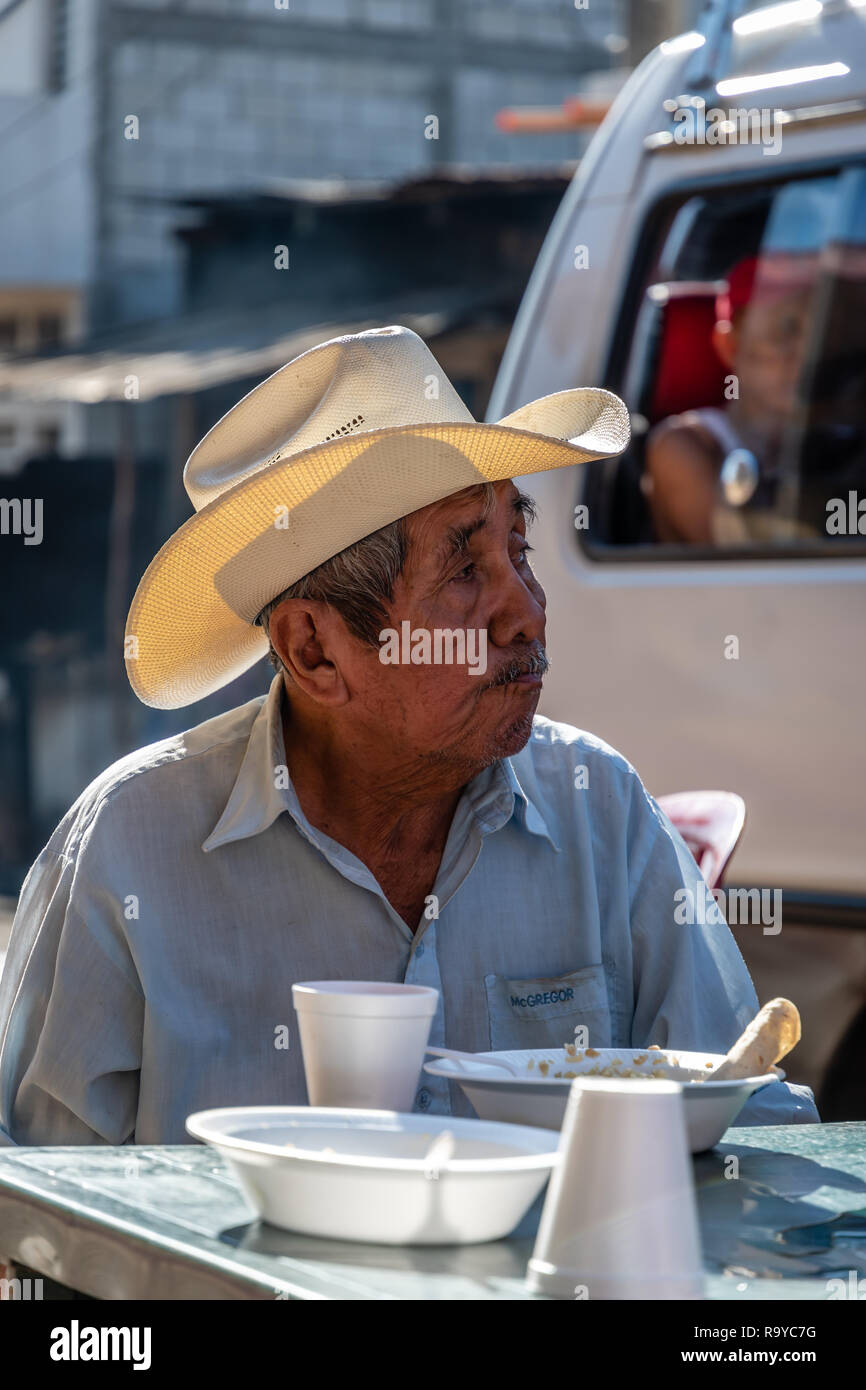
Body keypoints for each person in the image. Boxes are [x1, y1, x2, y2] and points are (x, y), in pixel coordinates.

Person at [0, 325, 818, 1145]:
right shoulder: (129, 850)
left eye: (519, 549)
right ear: (314, 649)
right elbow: (35, 1211)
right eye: (465, 573)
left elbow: (756, 1125)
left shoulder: (597, 809)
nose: (527, 611)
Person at [645, 253, 818, 545]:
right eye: (787, 330)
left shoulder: (843, 432)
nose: (806, 354)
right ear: (730, 345)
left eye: (821, 334)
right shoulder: (686, 446)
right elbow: (749, 560)